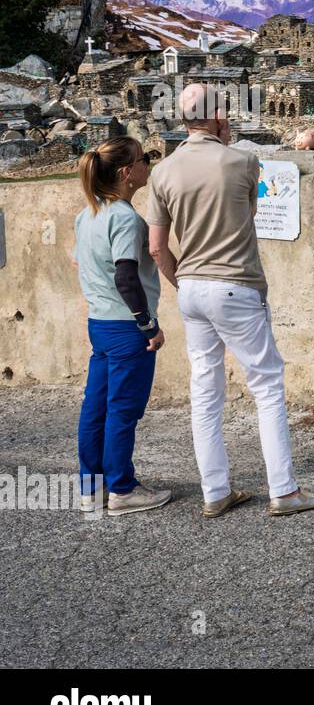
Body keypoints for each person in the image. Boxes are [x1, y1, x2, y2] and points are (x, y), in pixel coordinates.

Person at [147, 83, 314, 518]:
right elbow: (247, 215)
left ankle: (216, 491)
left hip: (190, 287)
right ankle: (284, 491)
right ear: (216, 118)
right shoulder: (242, 161)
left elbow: (157, 247)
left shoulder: (163, 171)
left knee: (205, 389)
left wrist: (184, 282)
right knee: (267, 385)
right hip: (235, 283)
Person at [73, 136, 171, 517]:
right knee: (123, 411)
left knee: (95, 407)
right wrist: (148, 326)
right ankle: (123, 489)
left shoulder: (88, 214)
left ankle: (91, 487)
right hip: (127, 329)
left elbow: (80, 263)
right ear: (128, 173)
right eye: (145, 159)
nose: (149, 163)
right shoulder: (125, 218)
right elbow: (126, 277)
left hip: (99, 323)